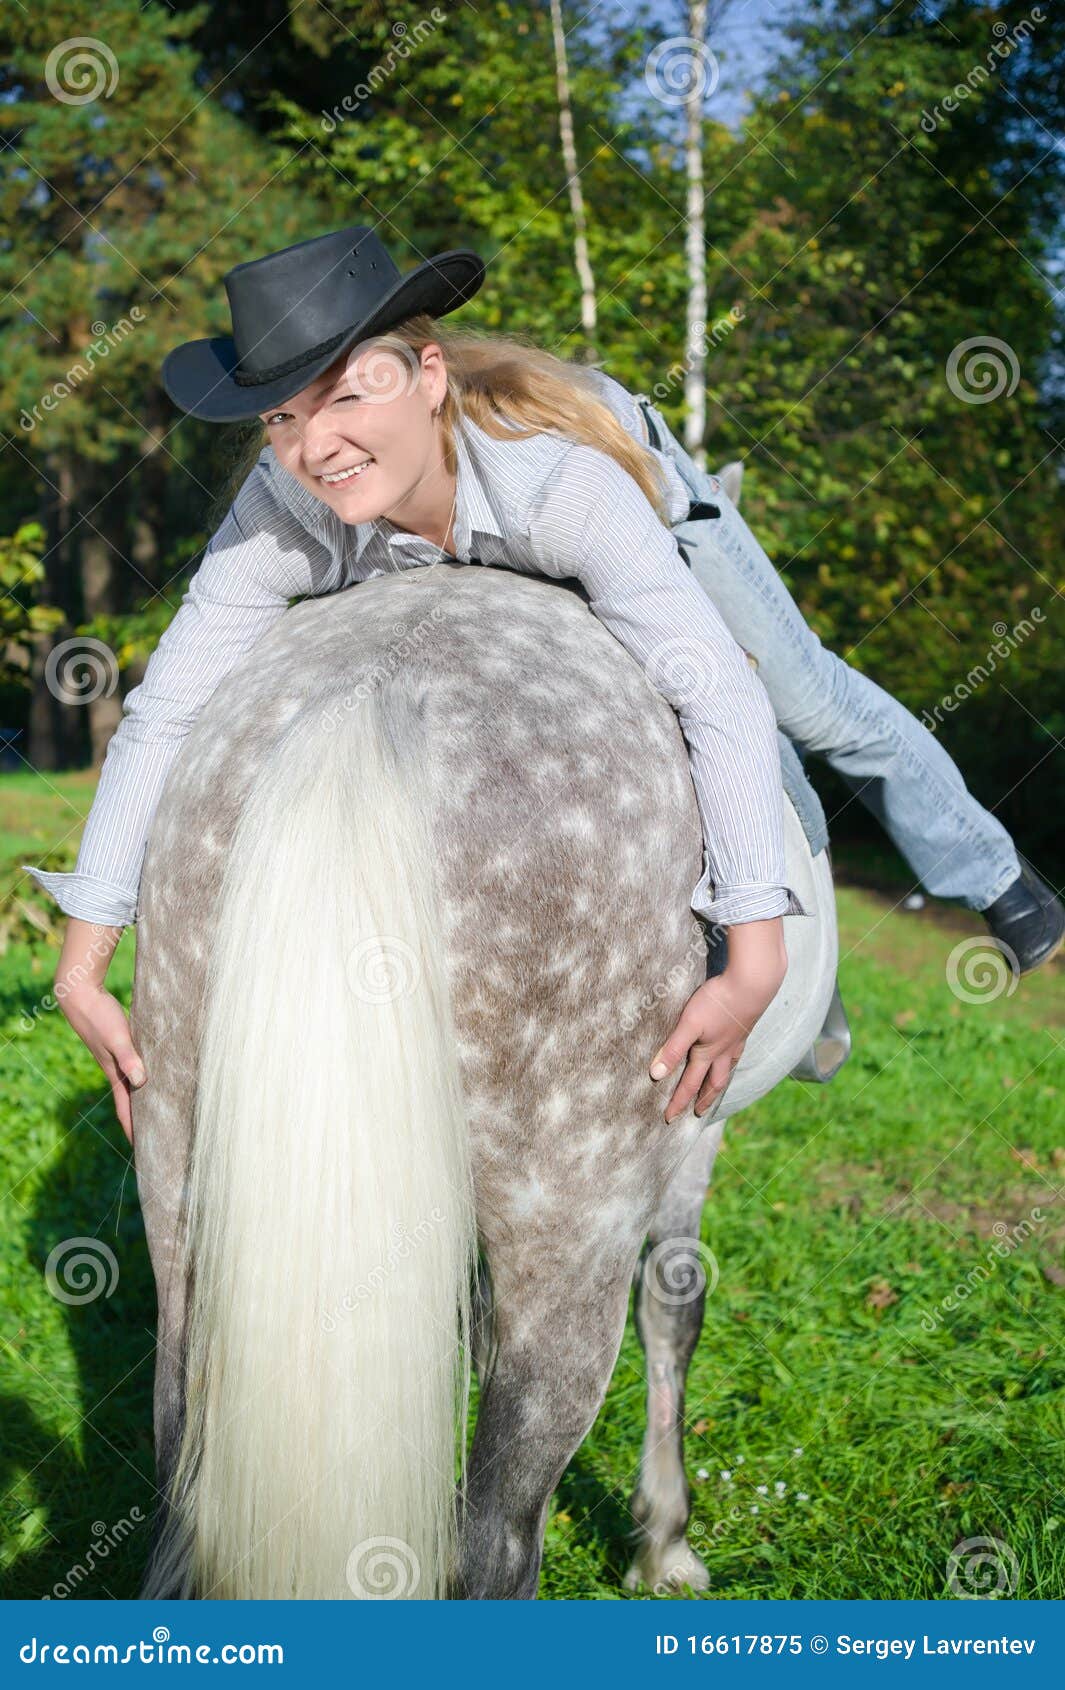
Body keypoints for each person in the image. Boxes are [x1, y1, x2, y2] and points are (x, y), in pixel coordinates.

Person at [23, 224, 1062, 1144]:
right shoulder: (281, 503)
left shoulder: (561, 485)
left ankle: (986, 877)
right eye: (282, 418)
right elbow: (168, 711)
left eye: (345, 396)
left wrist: (753, 964)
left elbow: (716, 695)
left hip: (640, 492)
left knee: (795, 699)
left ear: (427, 374)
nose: (314, 447)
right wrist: (84, 958)